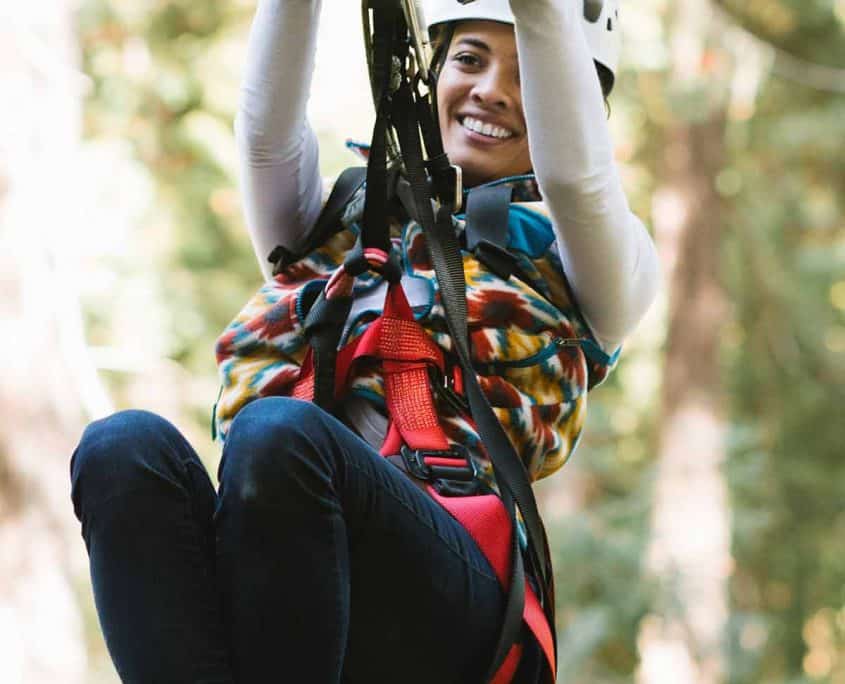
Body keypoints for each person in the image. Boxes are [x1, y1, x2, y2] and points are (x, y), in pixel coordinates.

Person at [71, 1, 660, 682]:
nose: (492, 90)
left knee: (278, 433)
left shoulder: (597, 262)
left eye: (527, 70)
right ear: (430, 73)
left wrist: (541, 11)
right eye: (468, 59)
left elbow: (577, 182)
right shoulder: (338, 221)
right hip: (285, 574)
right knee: (122, 449)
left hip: (449, 596)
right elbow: (266, 137)